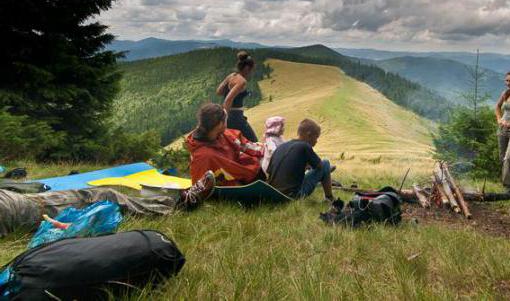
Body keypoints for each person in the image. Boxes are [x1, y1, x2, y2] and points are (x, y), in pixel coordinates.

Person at [0, 171, 215, 238]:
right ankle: (179, 204)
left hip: (14, 204)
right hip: (16, 208)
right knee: (105, 195)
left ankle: (174, 202)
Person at [186, 103, 264, 186]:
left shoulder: (224, 134)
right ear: (220, 124)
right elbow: (199, 186)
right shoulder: (203, 156)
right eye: (226, 119)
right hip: (238, 182)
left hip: (248, 171)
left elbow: (248, 146)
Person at [267, 119, 335, 200]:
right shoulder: (305, 146)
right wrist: (325, 170)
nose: (316, 141)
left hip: (273, 194)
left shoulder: (281, 147)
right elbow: (320, 167)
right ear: (309, 135)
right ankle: (329, 197)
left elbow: (270, 172)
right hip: (293, 195)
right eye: (316, 137)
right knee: (326, 163)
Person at [216, 51, 258, 142]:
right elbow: (228, 100)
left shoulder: (231, 76)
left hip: (231, 115)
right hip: (235, 116)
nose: (251, 73)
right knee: (253, 141)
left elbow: (219, 91)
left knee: (234, 142)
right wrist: (224, 119)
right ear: (247, 68)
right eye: (251, 70)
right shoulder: (242, 81)